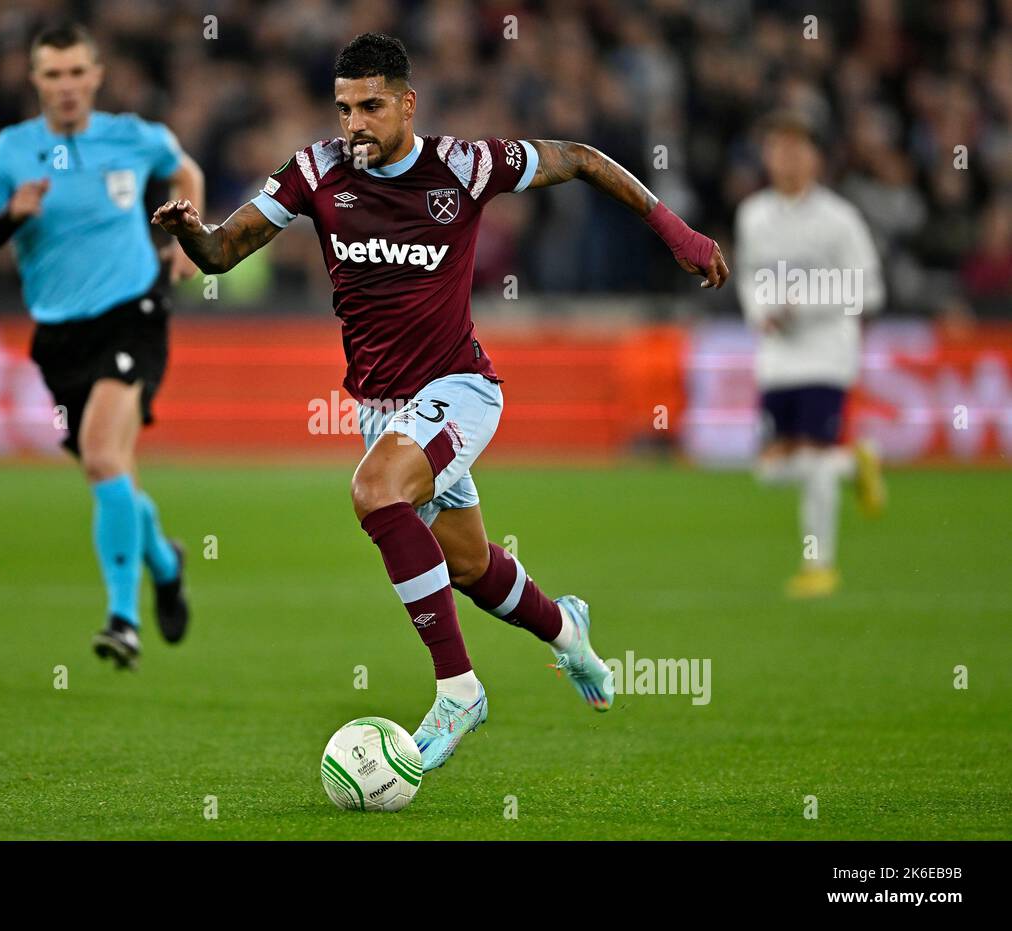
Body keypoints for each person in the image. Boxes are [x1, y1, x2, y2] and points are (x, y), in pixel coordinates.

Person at [153, 33, 728, 770]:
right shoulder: (315, 171)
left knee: (373, 492)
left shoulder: (464, 166)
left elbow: (581, 158)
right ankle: (566, 631)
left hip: (459, 389)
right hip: (379, 406)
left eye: (370, 106)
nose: (353, 123)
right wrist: (191, 236)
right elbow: (225, 250)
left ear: (406, 104)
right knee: (470, 566)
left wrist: (674, 231)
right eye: (342, 108)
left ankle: (459, 691)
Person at [0, 24, 205, 666]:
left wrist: (185, 239)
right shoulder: (12, 152)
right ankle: (164, 561)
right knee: (113, 471)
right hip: (61, 337)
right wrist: (11, 217)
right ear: (34, 81)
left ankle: (123, 619)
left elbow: (186, 172)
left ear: (96, 76)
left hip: (133, 313)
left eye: (75, 73)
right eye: (52, 75)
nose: (65, 86)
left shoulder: (131, 136)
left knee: (100, 456)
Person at [735, 111, 887, 599]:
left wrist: (807, 306)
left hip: (826, 354)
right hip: (777, 358)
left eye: (797, 149)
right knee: (772, 471)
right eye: (778, 149)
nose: (786, 159)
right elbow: (748, 277)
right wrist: (761, 312)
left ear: (816, 158)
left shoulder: (840, 218)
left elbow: (872, 291)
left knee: (815, 460)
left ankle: (818, 564)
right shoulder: (753, 214)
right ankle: (855, 462)